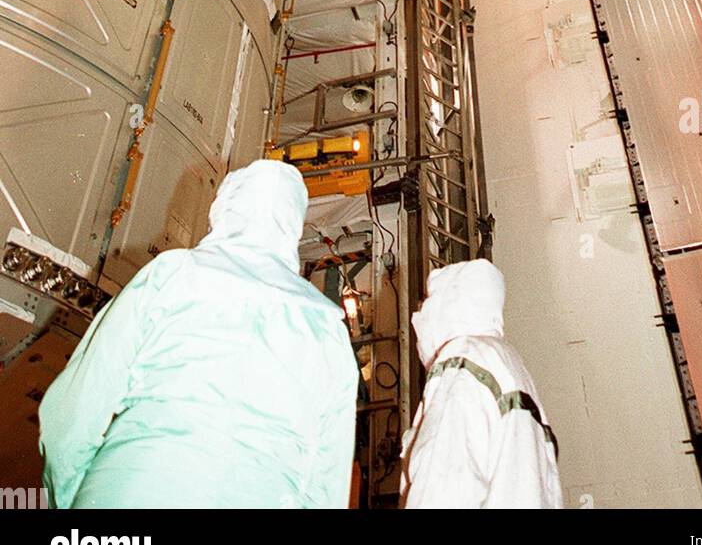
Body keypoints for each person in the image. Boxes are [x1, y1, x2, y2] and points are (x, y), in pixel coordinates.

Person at [39, 159, 358, 509]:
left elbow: (74, 413)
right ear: (292, 228)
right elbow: (327, 484)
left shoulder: (172, 275)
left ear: (223, 208)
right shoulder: (328, 331)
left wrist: (72, 497)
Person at [401, 259, 563, 509]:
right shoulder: (508, 365)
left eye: (428, 301)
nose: (419, 315)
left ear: (450, 303)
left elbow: (443, 488)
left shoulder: (463, 361)